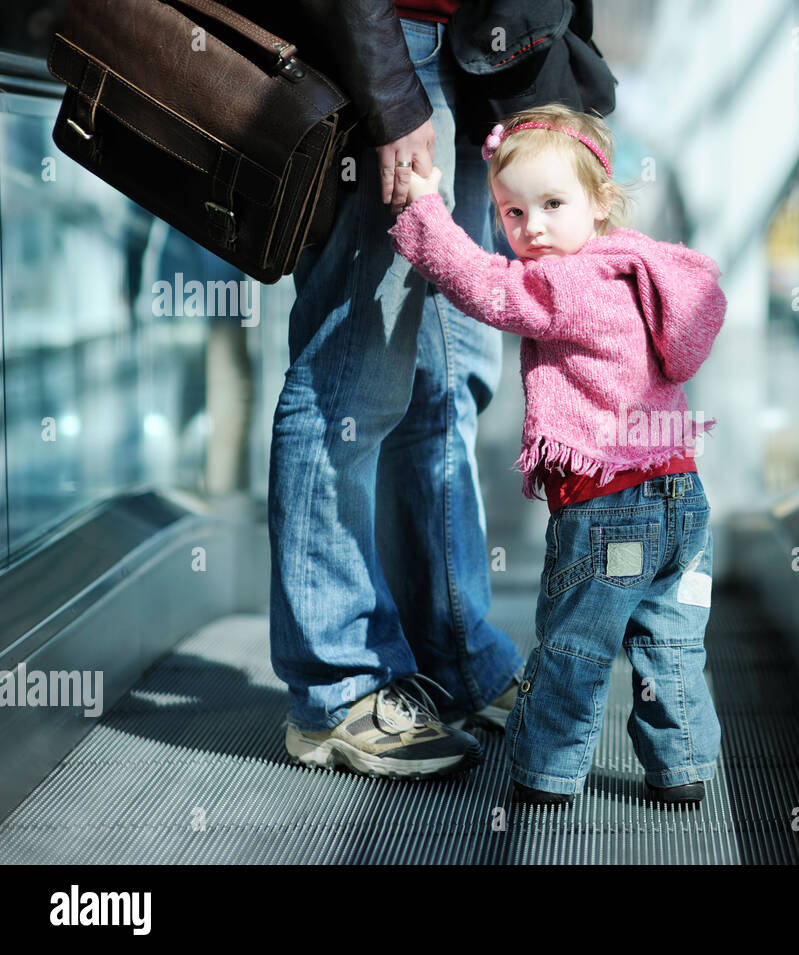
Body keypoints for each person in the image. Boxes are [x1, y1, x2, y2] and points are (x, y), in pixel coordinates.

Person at [389, 104, 727, 804]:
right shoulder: (640, 271)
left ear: (600, 202)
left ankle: (547, 771)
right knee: (670, 644)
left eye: (551, 204)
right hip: (682, 501)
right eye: (511, 213)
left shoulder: (572, 282)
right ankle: (685, 765)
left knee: (576, 645)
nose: (531, 228)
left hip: (609, 510)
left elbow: (487, 288)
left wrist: (426, 213)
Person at [269, 2, 525, 779]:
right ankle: (336, 686)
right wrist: (388, 89)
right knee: (350, 377)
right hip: (394, 48)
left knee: (448, 379)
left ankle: (452, 655)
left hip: (479, 61)